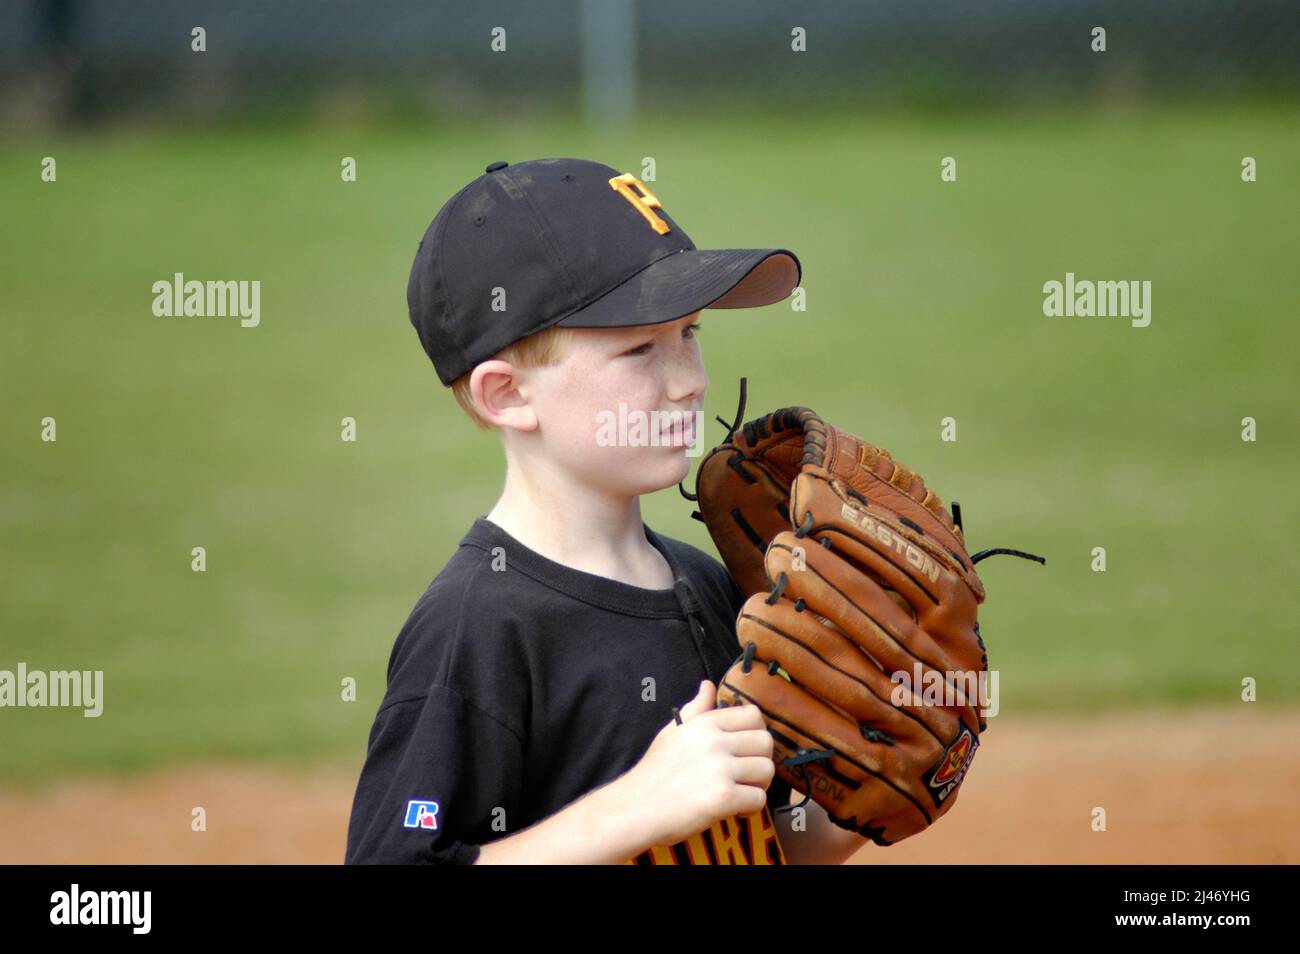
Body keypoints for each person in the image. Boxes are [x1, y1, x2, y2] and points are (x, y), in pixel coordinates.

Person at [344, 157, 865, 864]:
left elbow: (751, 839)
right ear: (506, 395)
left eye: (690, 333)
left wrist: (871, 788)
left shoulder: (708, 584)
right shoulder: (477, 628)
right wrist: (636, 807)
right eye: (639, 348)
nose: (690, 381)